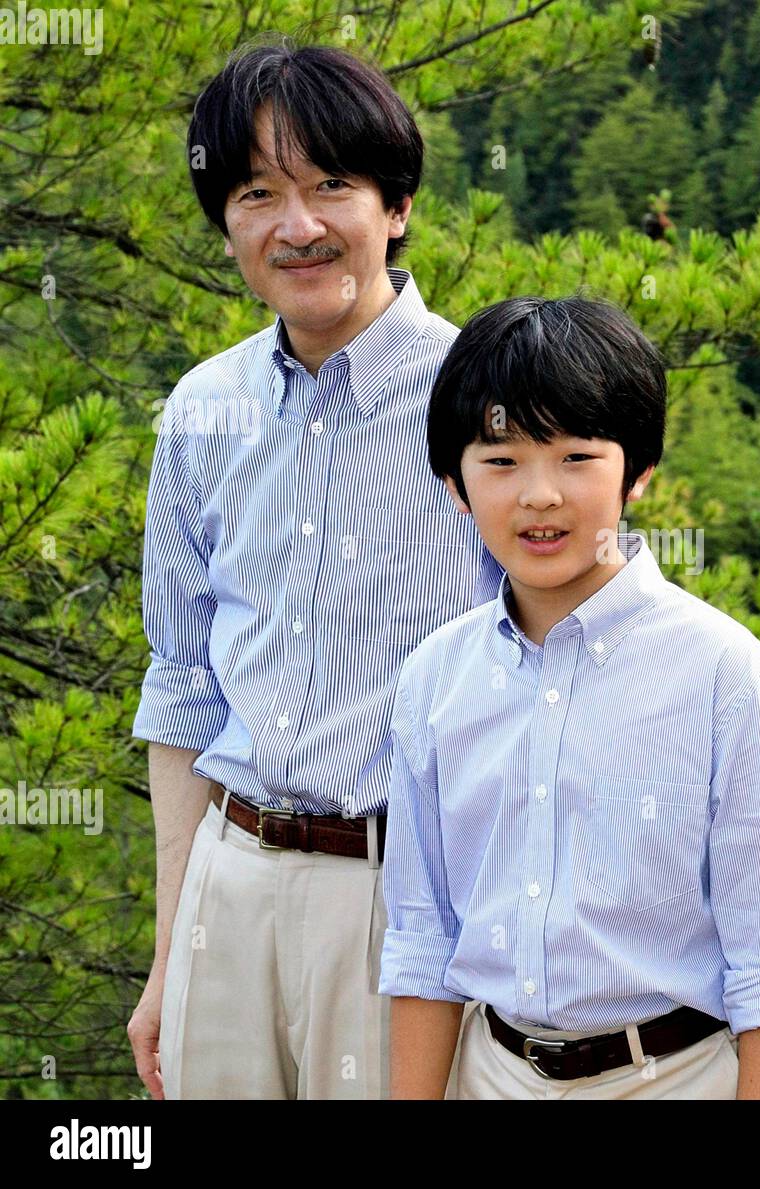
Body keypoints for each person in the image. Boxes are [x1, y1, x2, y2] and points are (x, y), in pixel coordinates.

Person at [126, 41, 501, 1099]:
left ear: (397, 204)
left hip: (407, 898)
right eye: (258, 193)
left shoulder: (484, 400)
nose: (297, 225)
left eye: (331, 184)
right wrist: (171, 955)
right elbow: (184, 687)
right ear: (228, 224)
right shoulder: (203, 411)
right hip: (229, 882)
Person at [378, 296, 760, 1099]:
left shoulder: (728, 679)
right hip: (493, 1074)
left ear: (640, 472)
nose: (541, 494)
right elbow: (424, 943)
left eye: (577, 457)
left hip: (673, 1076)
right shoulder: (432, 680)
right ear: (453, 484)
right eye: (501, 460)